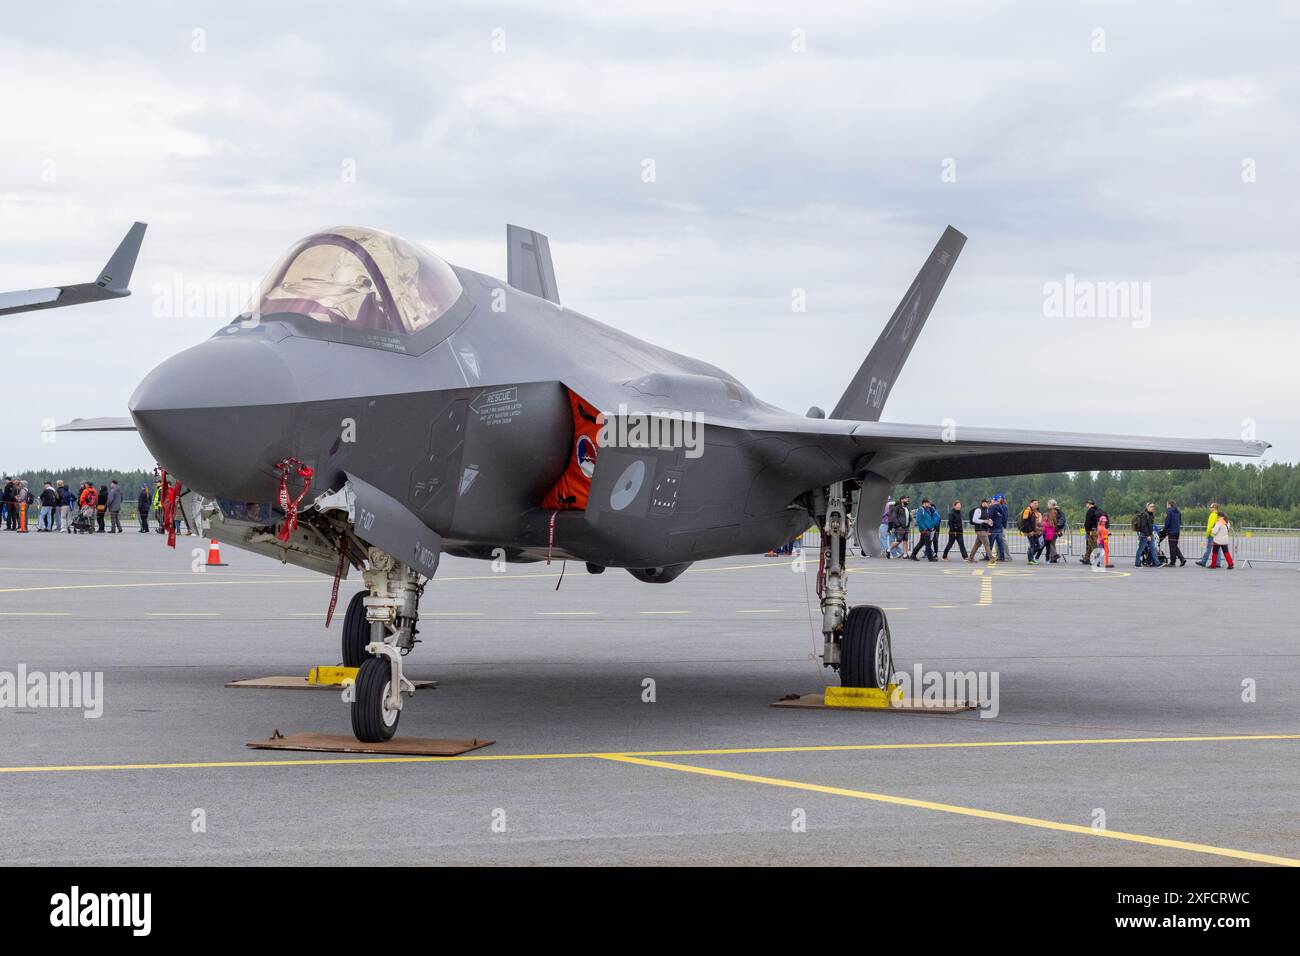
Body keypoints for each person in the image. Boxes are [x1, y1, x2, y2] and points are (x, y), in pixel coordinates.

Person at [1160, 499, 1186, 567]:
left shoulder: (1169, 511)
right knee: (1174, 546)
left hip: (1171, 531)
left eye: (1166, 504)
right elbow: (1180, 521)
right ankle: (1182, 559)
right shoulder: (1178, 511)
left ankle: (1172, 562)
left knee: (1172, 547)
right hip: (1177, 531)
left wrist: (1164, 529)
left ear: (1169, 504)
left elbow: (1167, 521)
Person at [1135, 502, 1159, 568]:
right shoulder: (1144, 515)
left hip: (1150, 534)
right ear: (1147, 507)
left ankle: (1157, 563)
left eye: (1153, 506)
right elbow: (1144, 526)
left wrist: (1151, 533)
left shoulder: (1151, 514)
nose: (1153, 508)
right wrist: (1147, 535)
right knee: (1141, 549)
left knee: (1153, 548)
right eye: (1151, 506)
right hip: (1144, 535)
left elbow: (1150, 525)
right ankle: (1137, 564)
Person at [1195, 502, 1219, 567]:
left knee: (1209, 548)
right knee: (1217, 549)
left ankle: (1203, 561)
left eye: (1211, 507)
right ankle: (1218, 562)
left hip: (1211, 534)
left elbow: (1210, 526)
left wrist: (1207, 534)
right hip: (1217, 534)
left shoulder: (1213, 514)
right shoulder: (1218, 514)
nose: (1209, 508)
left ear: (1214, 508)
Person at [1021, 499, 1042, 564]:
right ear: (1031, 503)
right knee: (1032, 545)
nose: (1036, 505)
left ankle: (1030, 555)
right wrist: (1029, 531)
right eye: (1035, 503)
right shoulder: (1027, 510)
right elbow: (1025, 522)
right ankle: (1030, 560)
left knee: (1038, 545)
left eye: (1037, 503)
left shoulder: (1033, 511)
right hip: (1030, 532)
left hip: (1034, 531)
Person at [1081, 499, 1099, 564]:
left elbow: (1088, 522)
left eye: (1087, 503)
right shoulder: (1095, 510)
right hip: (1094, 530)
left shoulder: (1090, 511)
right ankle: (1086, 558)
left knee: (1093, 545)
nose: (1086, 504)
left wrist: (1087, 530)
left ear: (1090, 504)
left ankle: (1097, 560)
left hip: (1091, 531)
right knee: (1089, 545)